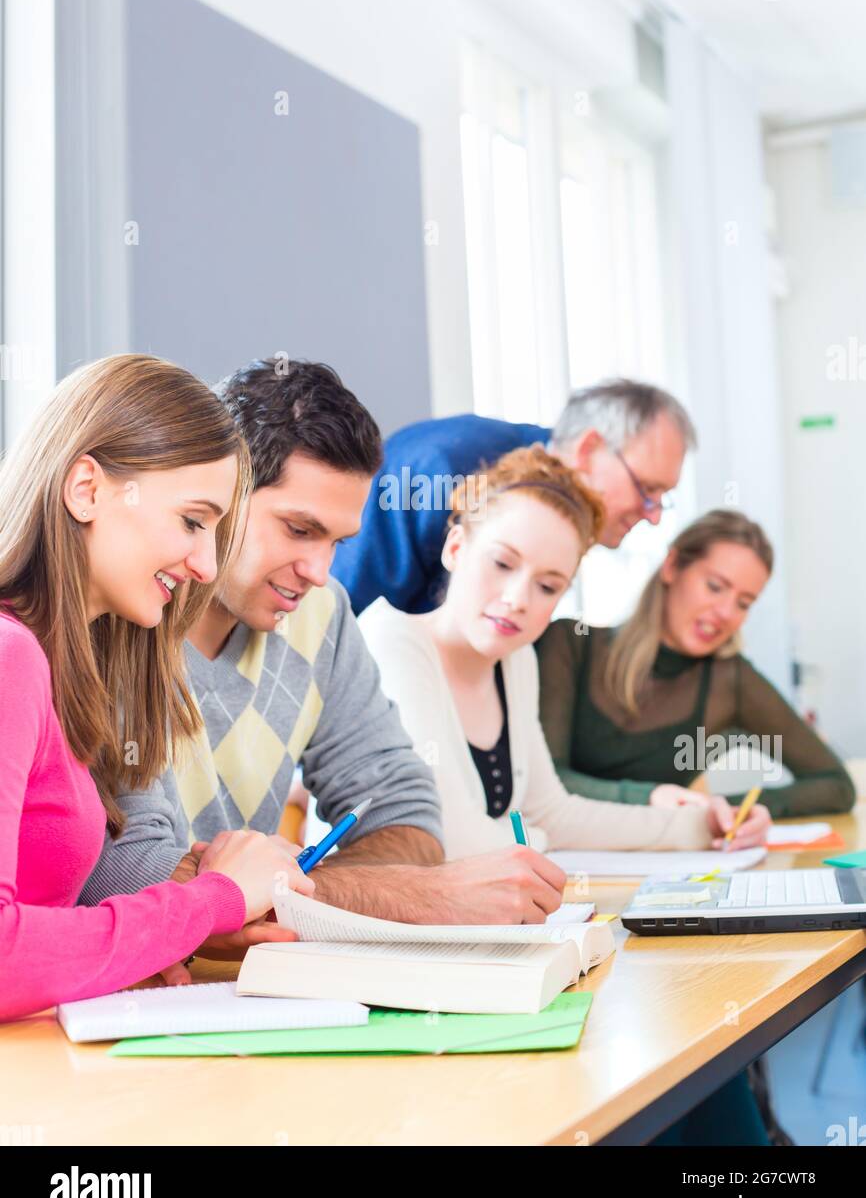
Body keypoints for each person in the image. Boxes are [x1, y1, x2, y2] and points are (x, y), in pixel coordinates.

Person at [83, 359, 568, 943]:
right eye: (298, 529)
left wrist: (283, 894)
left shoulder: (322, 612)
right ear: (222, 494)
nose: (319, 571)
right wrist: (420, 896)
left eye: (337, 541)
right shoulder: (118, 615)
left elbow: (404, 810)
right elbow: (130, 875)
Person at [0, 354, 314, 1024]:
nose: (204, 565)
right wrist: (213, 899)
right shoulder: (7, 657)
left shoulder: (67, 672)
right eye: (193, 521)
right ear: (86, 489)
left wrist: (166, 931)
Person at [357, 447, 769, 858]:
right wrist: (535, 838)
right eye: (502, 563)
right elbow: (453, 836)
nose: (518, 598)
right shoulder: (392, 641)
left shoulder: (516, 661)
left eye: (548, 586)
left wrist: (704, 826)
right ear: (456, 548)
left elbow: (552, 813)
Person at [536, 509, 855, 817]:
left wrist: (728, 810)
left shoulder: (731, 680)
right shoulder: (569, 643)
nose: (726, 613)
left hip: (657, 862)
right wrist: (649, 798)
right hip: (558, 858)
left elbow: (836, 786)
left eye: (744, 603)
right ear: (672, 566)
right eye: (715, 587)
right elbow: (543, 785)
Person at [332, 378, 695, 615]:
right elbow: (337, 616)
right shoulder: (439, 467)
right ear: (587, 449)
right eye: (646, 489)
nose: (654, 516)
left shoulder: (567, 517)